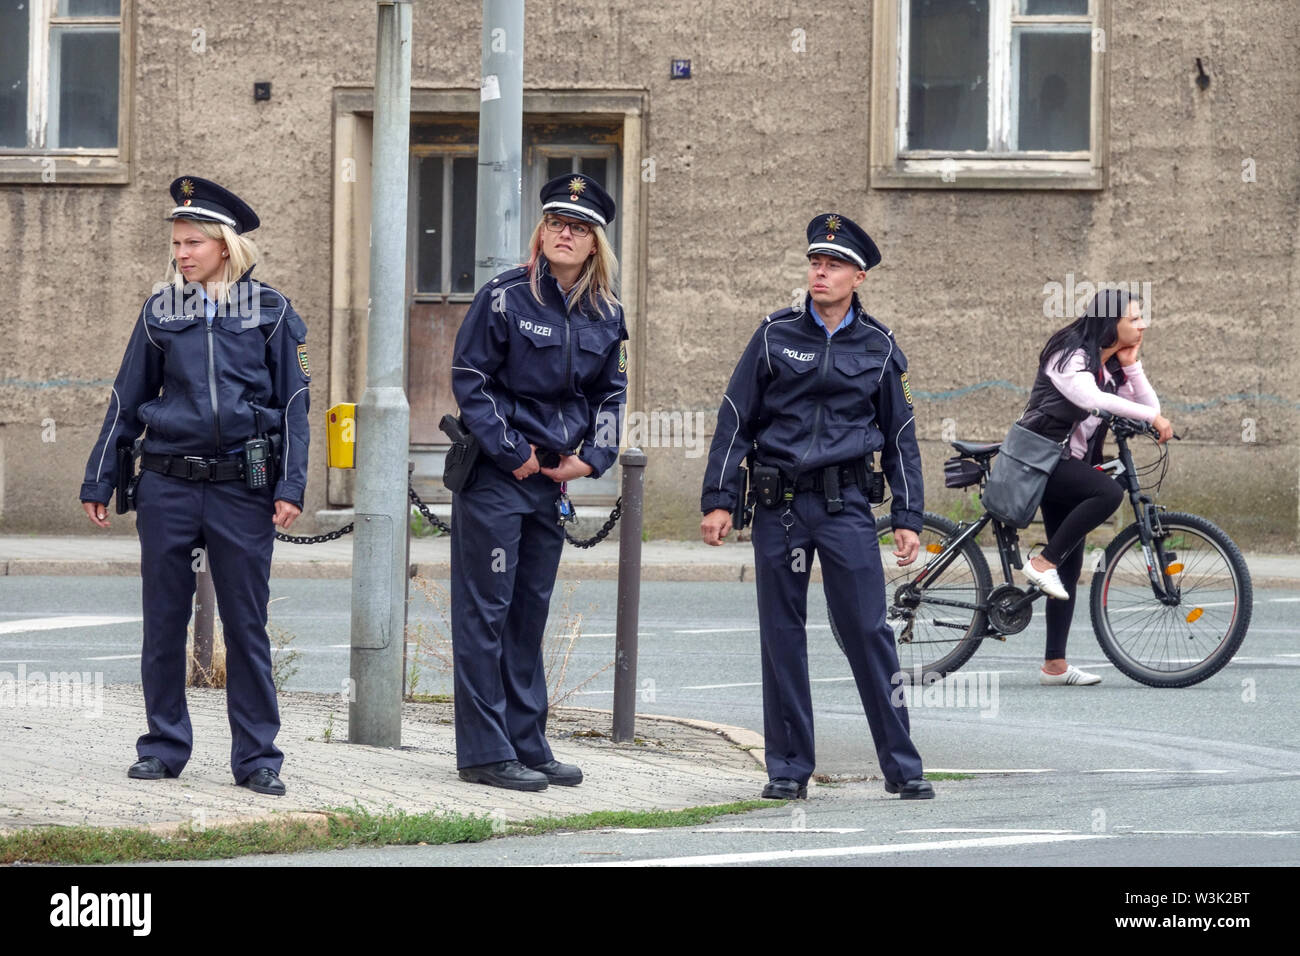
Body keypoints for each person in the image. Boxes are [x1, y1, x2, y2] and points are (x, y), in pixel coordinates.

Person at [79, 176, 310, 796]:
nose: (180, 253)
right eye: (176, 243)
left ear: (224, 246)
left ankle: (258, 757)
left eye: (192, 243)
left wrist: (291, 485)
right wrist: (100, 476)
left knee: (246, 623)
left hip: (243, 486)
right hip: (167, 484)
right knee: (163, 619)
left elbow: (294, 404)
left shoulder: (271, 311)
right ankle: (162, 747)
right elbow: (126, 398)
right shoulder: (161, 311)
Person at [700, 213, 934, 800]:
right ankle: (787, 770)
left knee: (868, 630)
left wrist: (907, 519)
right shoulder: (775, 334)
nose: (820, 272)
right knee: (782, 635)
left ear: (858, 276)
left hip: (846, 504)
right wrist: (720, 500)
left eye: (832, 265)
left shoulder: (878, 346)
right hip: (779, 505)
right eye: (814, 262)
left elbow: (901, 434)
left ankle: (902, 767)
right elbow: (736, 419)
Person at [449, 173, 627, 792]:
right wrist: (512, 451)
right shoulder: (504, 297)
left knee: (528, 615)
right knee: (486, 613)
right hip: (498, 477)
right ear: (541, 231)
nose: (564, 233)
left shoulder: (608, 312)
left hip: (552, 480)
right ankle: (483, 753)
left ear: (595, 242)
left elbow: (613, 392)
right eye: (555, 222)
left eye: (577, 227)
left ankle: (528, 744)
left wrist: (592, 459)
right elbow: (471, 378)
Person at [1018, 289, 1172, 685]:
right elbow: (1087, 398)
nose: (1142, 325)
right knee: (1107, 493)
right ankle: (1039, 563)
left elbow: (1149, 408)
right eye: (1135, 318)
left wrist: (1133, 366)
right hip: (1041, 460)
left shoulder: (1112, 370)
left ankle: (1054, 666)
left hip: (1068, 465)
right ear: (1111, 323)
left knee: (1069, 561)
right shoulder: (1069, 354)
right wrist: (1151, 419)